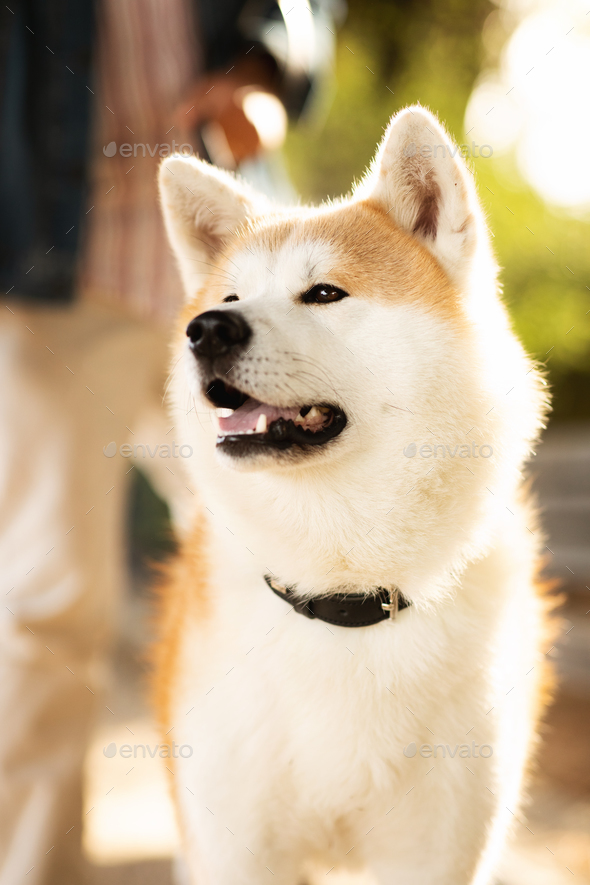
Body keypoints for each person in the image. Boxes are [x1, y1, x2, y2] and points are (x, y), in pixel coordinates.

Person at [0, 2, 341, 882]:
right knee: (49, 599)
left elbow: (288, 15)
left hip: (236, 273)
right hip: (57, 274)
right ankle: (31, 867)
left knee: (289, 588)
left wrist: (266, 77)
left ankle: (263, 859)